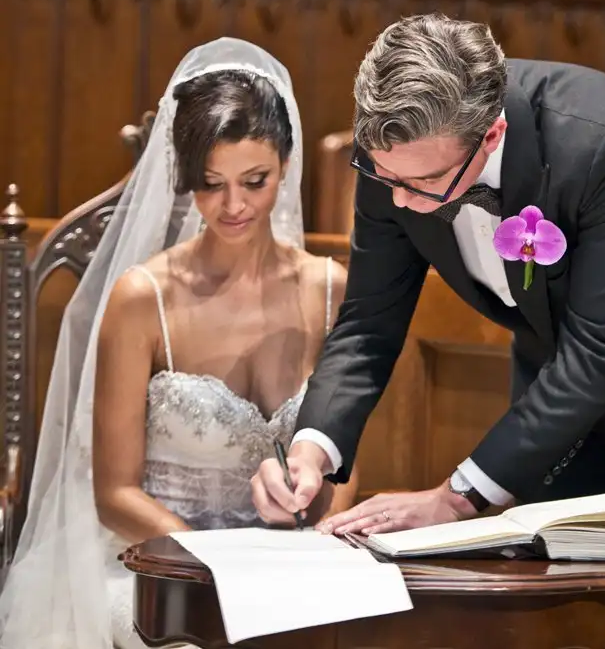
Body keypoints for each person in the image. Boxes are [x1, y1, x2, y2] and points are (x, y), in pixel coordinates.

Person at [252, 13, 605, 649]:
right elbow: (369, 321)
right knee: (556, 615)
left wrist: (454, 497)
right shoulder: (397, 159)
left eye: (424, 185)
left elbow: (601, 350)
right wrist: (311, 451)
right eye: (384, 178)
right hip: (566, 404)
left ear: (492, 134)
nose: (398, 202)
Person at [0, 38, 354, 649]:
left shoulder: (329, 290)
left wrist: (318, 526)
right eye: (211, 184)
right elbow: (114, 495)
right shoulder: (144, 298)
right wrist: (215, 565)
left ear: (286, 162)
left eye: (255, 180)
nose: (234, 205)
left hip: (291, 567)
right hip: (157, 566)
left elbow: (346, 464)